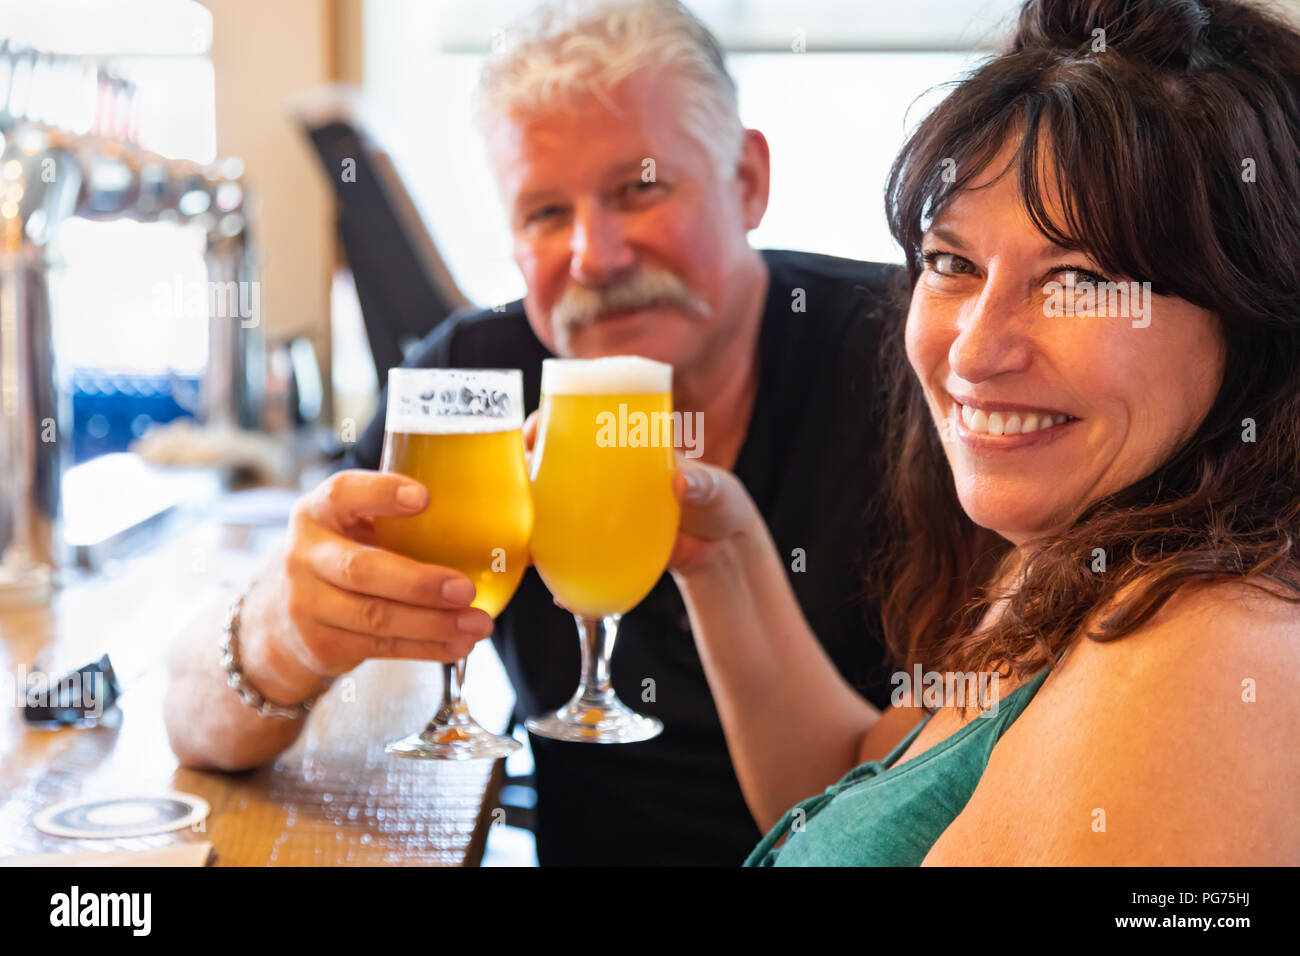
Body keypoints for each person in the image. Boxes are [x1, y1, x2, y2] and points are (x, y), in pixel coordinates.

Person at [164, 0, 905, 865]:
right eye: (546, 214)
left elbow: (949, 801)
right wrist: (283, 633)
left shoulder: (914, 365)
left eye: (640, 188)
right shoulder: (471, 384)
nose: (595, 255)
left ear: (747, 180)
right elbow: (191, 717)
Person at [669, 0, 1300, 864]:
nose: (974, 348)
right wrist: (725, 555)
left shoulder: (1203, 656)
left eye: (1076, 277)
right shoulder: (1083, 553)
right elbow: (876, 809)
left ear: (1256, 320)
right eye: (953, 264)